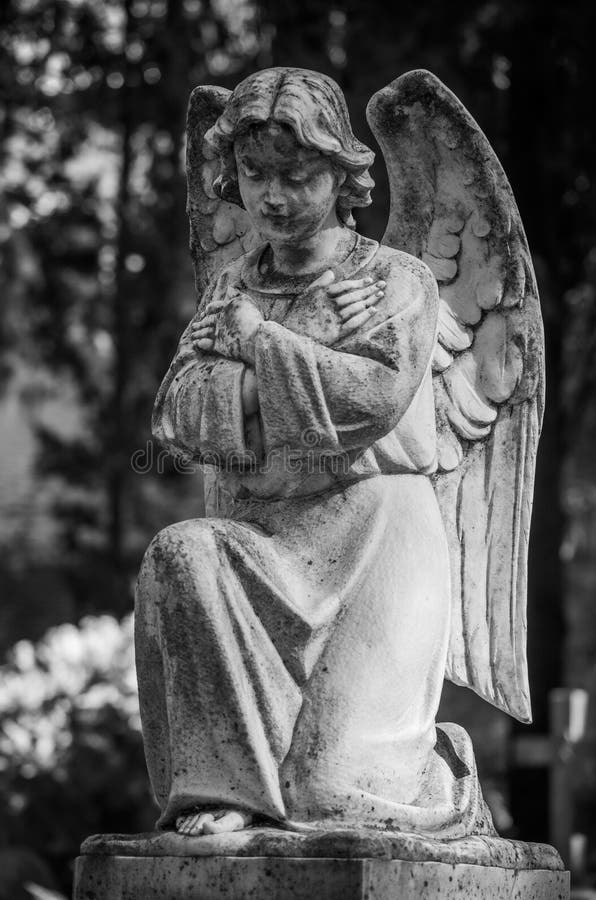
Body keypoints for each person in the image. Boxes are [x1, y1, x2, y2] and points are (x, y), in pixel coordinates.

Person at [135, 68, 494, 839]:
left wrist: (259, 344)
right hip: (267, 537)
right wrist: (301, 361)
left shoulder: (396, 279)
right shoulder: (230, 284)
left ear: (340, 172)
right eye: (254, 174)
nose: (270, 197)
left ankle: (441, 774)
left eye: (295, 176)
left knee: (332, 797)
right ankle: (223, 788)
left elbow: (369, 400)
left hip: (375, 539)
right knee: (181, 552)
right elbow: (178, 413)